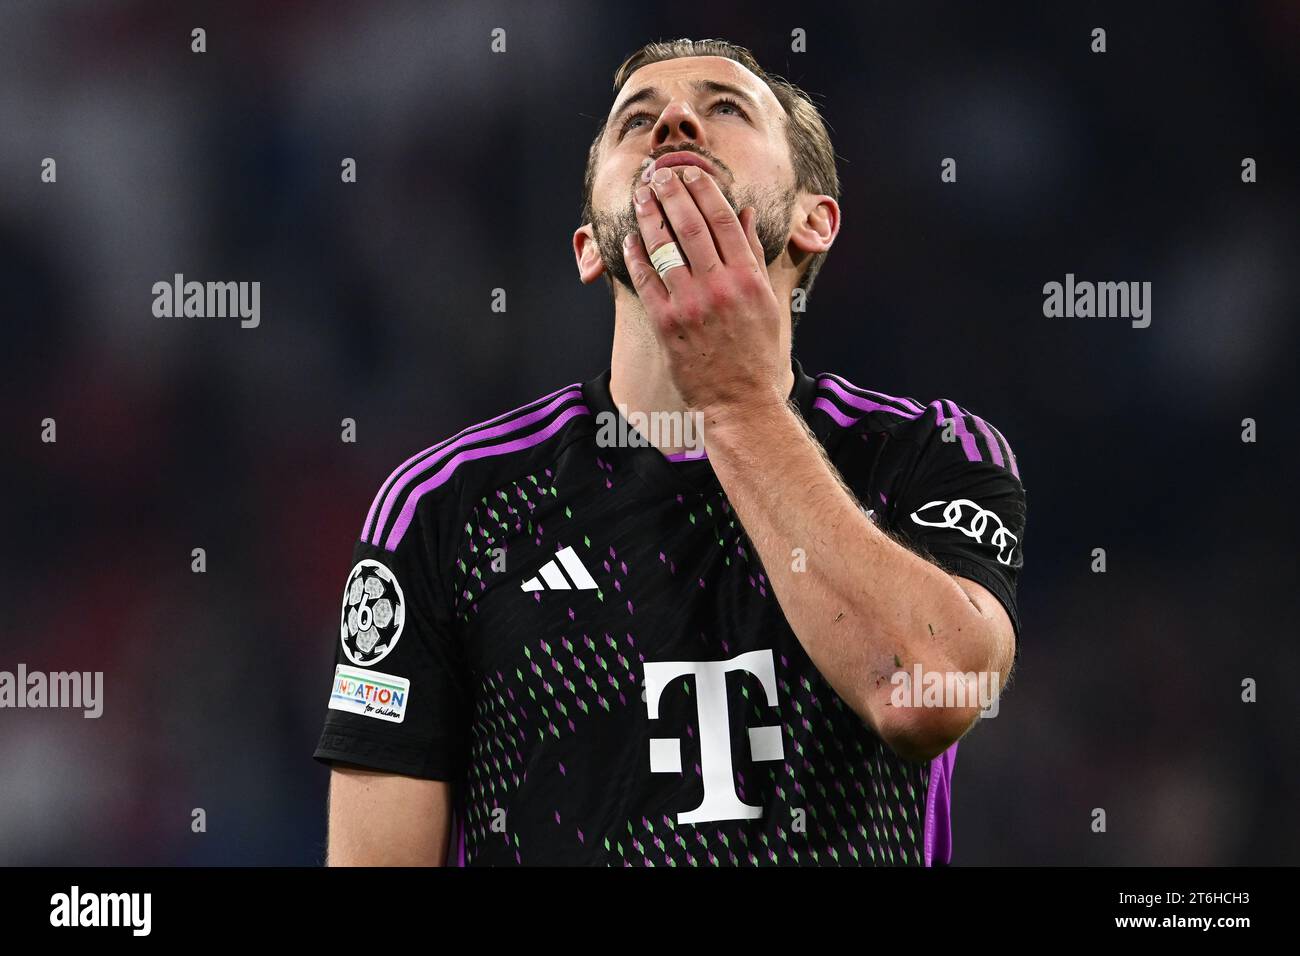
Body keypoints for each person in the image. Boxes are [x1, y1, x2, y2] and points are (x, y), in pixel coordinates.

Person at [314, 37, 1026, 867]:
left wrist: (736, 403)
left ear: (813, 220)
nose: (675, 122)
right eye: (636, 121)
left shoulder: (922, 451)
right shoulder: (447, 506)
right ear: (589, 247)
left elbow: (925, 693)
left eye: (725, 108)